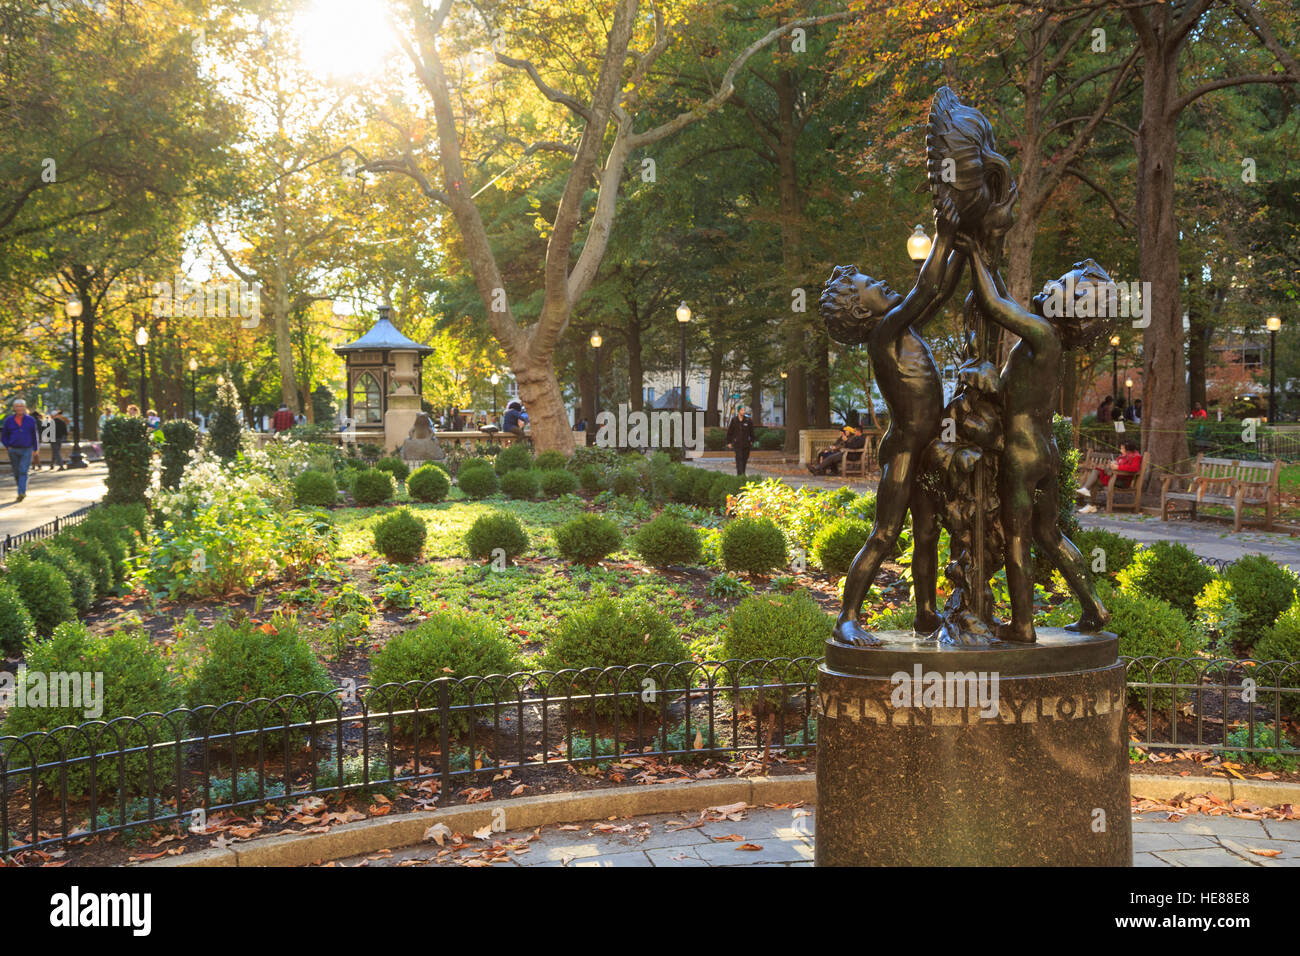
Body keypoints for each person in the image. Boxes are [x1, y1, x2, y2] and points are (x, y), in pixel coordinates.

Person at [818, 211, 964, 646]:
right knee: (884, 534)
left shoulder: (902, 326)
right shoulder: (884, 332)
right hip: (904, 449)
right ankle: (847, 618)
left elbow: (937, 293)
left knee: (927, 533)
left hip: (926, 448)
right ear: (862, 308)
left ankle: (925, 614)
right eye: (873, 286)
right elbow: (925, 289)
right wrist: (946, 234)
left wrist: (964, 251)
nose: (883, 285)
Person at [964, 242, 1111, 641]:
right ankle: (1093, 606)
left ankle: (1023, 625)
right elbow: (1005, 299)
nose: (1048, 283)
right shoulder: (1049, 340)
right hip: (1047, 450)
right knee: (1051, 535)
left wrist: (972, 253)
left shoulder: (1042, 335)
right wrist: (988, 264)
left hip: (1020, 453)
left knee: (1018, 537)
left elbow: (995, 305)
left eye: (1059, 283)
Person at [1077, 440, 1142, 514]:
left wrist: (1118, 467)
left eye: (1122, 448)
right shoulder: (1123, 456)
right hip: (1115, 478)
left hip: (1122, 481)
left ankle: (1090, 502)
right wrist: (1113, 464)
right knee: (1096, 473)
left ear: (1128, 449)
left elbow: (1134, 468)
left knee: (1095, 479)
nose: (1120, 450)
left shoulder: (1136, 457)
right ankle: (1088, 497)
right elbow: (1119, 463)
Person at [1, 398, 40, 502]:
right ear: (14, 408)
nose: (19, 408)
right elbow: (4, 435)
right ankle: (21, 488)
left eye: (21, 406)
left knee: (23, 471)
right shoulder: (9, 420)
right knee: (17, 472)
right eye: (17, 406)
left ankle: (21, 492)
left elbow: (34, 435)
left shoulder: (30, 420)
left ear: (25, 407)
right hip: (13, 449)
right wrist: (7, 446)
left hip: (27, 449)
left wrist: (36, 448)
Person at [726, 406, 757, 476]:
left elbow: (752, 432)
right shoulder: (734, 420)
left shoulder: (748, 420)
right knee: (739, 458)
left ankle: (743, 473)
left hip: (746, 444)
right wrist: (729, 442)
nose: (743, 411)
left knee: (744, 459)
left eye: (744, 410)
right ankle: (739, 474)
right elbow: (730, 432)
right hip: (737, 443)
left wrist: (752, 440)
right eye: (742, 410)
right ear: (738, 411)